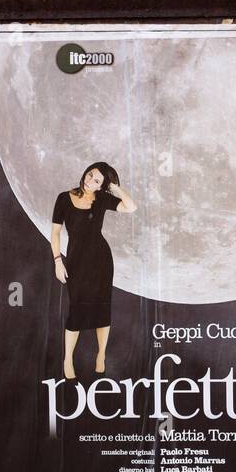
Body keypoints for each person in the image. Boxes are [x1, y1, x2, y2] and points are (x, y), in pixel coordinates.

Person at [51, 161, 136, 379]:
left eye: (97, 180)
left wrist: (114, 188)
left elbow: (131, 207)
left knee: (102, 308)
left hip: (101, 261)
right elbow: (56, 234)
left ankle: (101, 355)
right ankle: (67, 358)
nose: (89, 181)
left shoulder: (102, 199)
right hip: (76, 261)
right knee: (77, 309)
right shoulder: (63, 198)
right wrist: (58, 261)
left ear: (101, 186)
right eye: (90, 175)